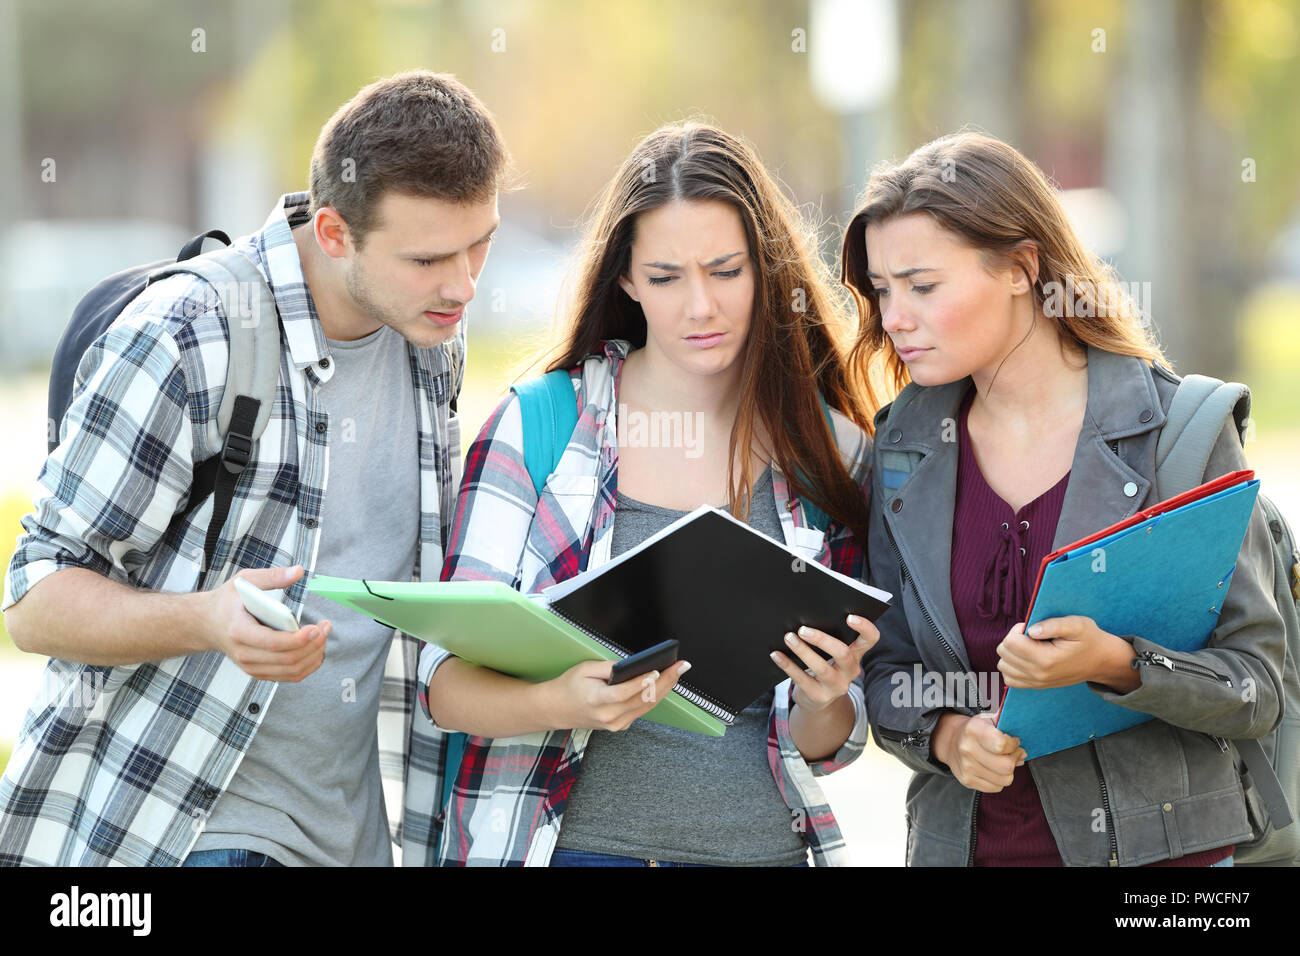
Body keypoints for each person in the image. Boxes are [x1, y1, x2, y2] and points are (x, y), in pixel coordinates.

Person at [0, 71, 509, 866]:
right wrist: (206, 620)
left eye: (482, 243)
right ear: (336, 233)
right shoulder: (189, 335)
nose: (464, 284)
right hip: (191, 830)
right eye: (429, 257)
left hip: (361, 837)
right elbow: (34, 598)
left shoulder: (430, 331)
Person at [415, 121, 878, 867]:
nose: (701, 307)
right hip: (574, 852)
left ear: (766, 269)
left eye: (726, 271)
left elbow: (827, 748)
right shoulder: (537, 429)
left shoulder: (829, 455)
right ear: (625, 279)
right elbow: (440, 684)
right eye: (666, 277)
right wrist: (560, 702)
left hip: (761, 852)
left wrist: (826, 698)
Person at [845, 131, 1286, 866]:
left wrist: (1116, 661)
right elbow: (884, 672)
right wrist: (949, 737)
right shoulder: (900, 449)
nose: (893, 318)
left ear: (1022, 269)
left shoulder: (1180, 432)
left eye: (922, 287)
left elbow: (1255, 687)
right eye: (883, 290)